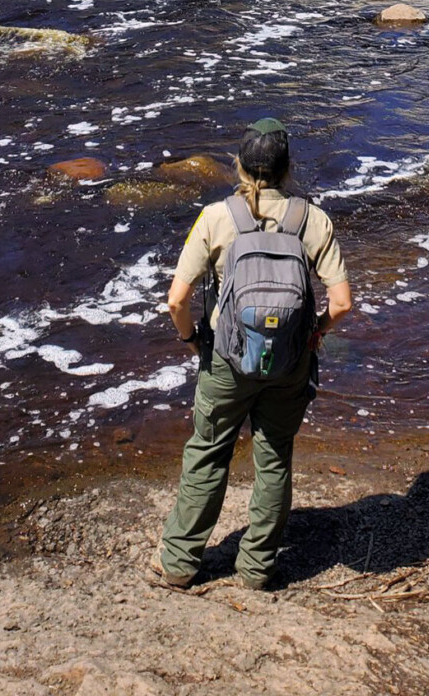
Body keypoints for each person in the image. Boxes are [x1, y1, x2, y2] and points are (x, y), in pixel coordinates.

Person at [152, 118, 352, 591]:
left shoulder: (215, 217)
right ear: (288, 168)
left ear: (238, 165)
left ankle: (179, 563)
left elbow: (177, 300)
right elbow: (342, 303)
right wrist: (315, 333)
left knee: (207, 453)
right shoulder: (313, 220)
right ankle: (258, 568)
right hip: (289, 362)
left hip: (226, 358)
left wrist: (191, 340)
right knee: (275, 457)